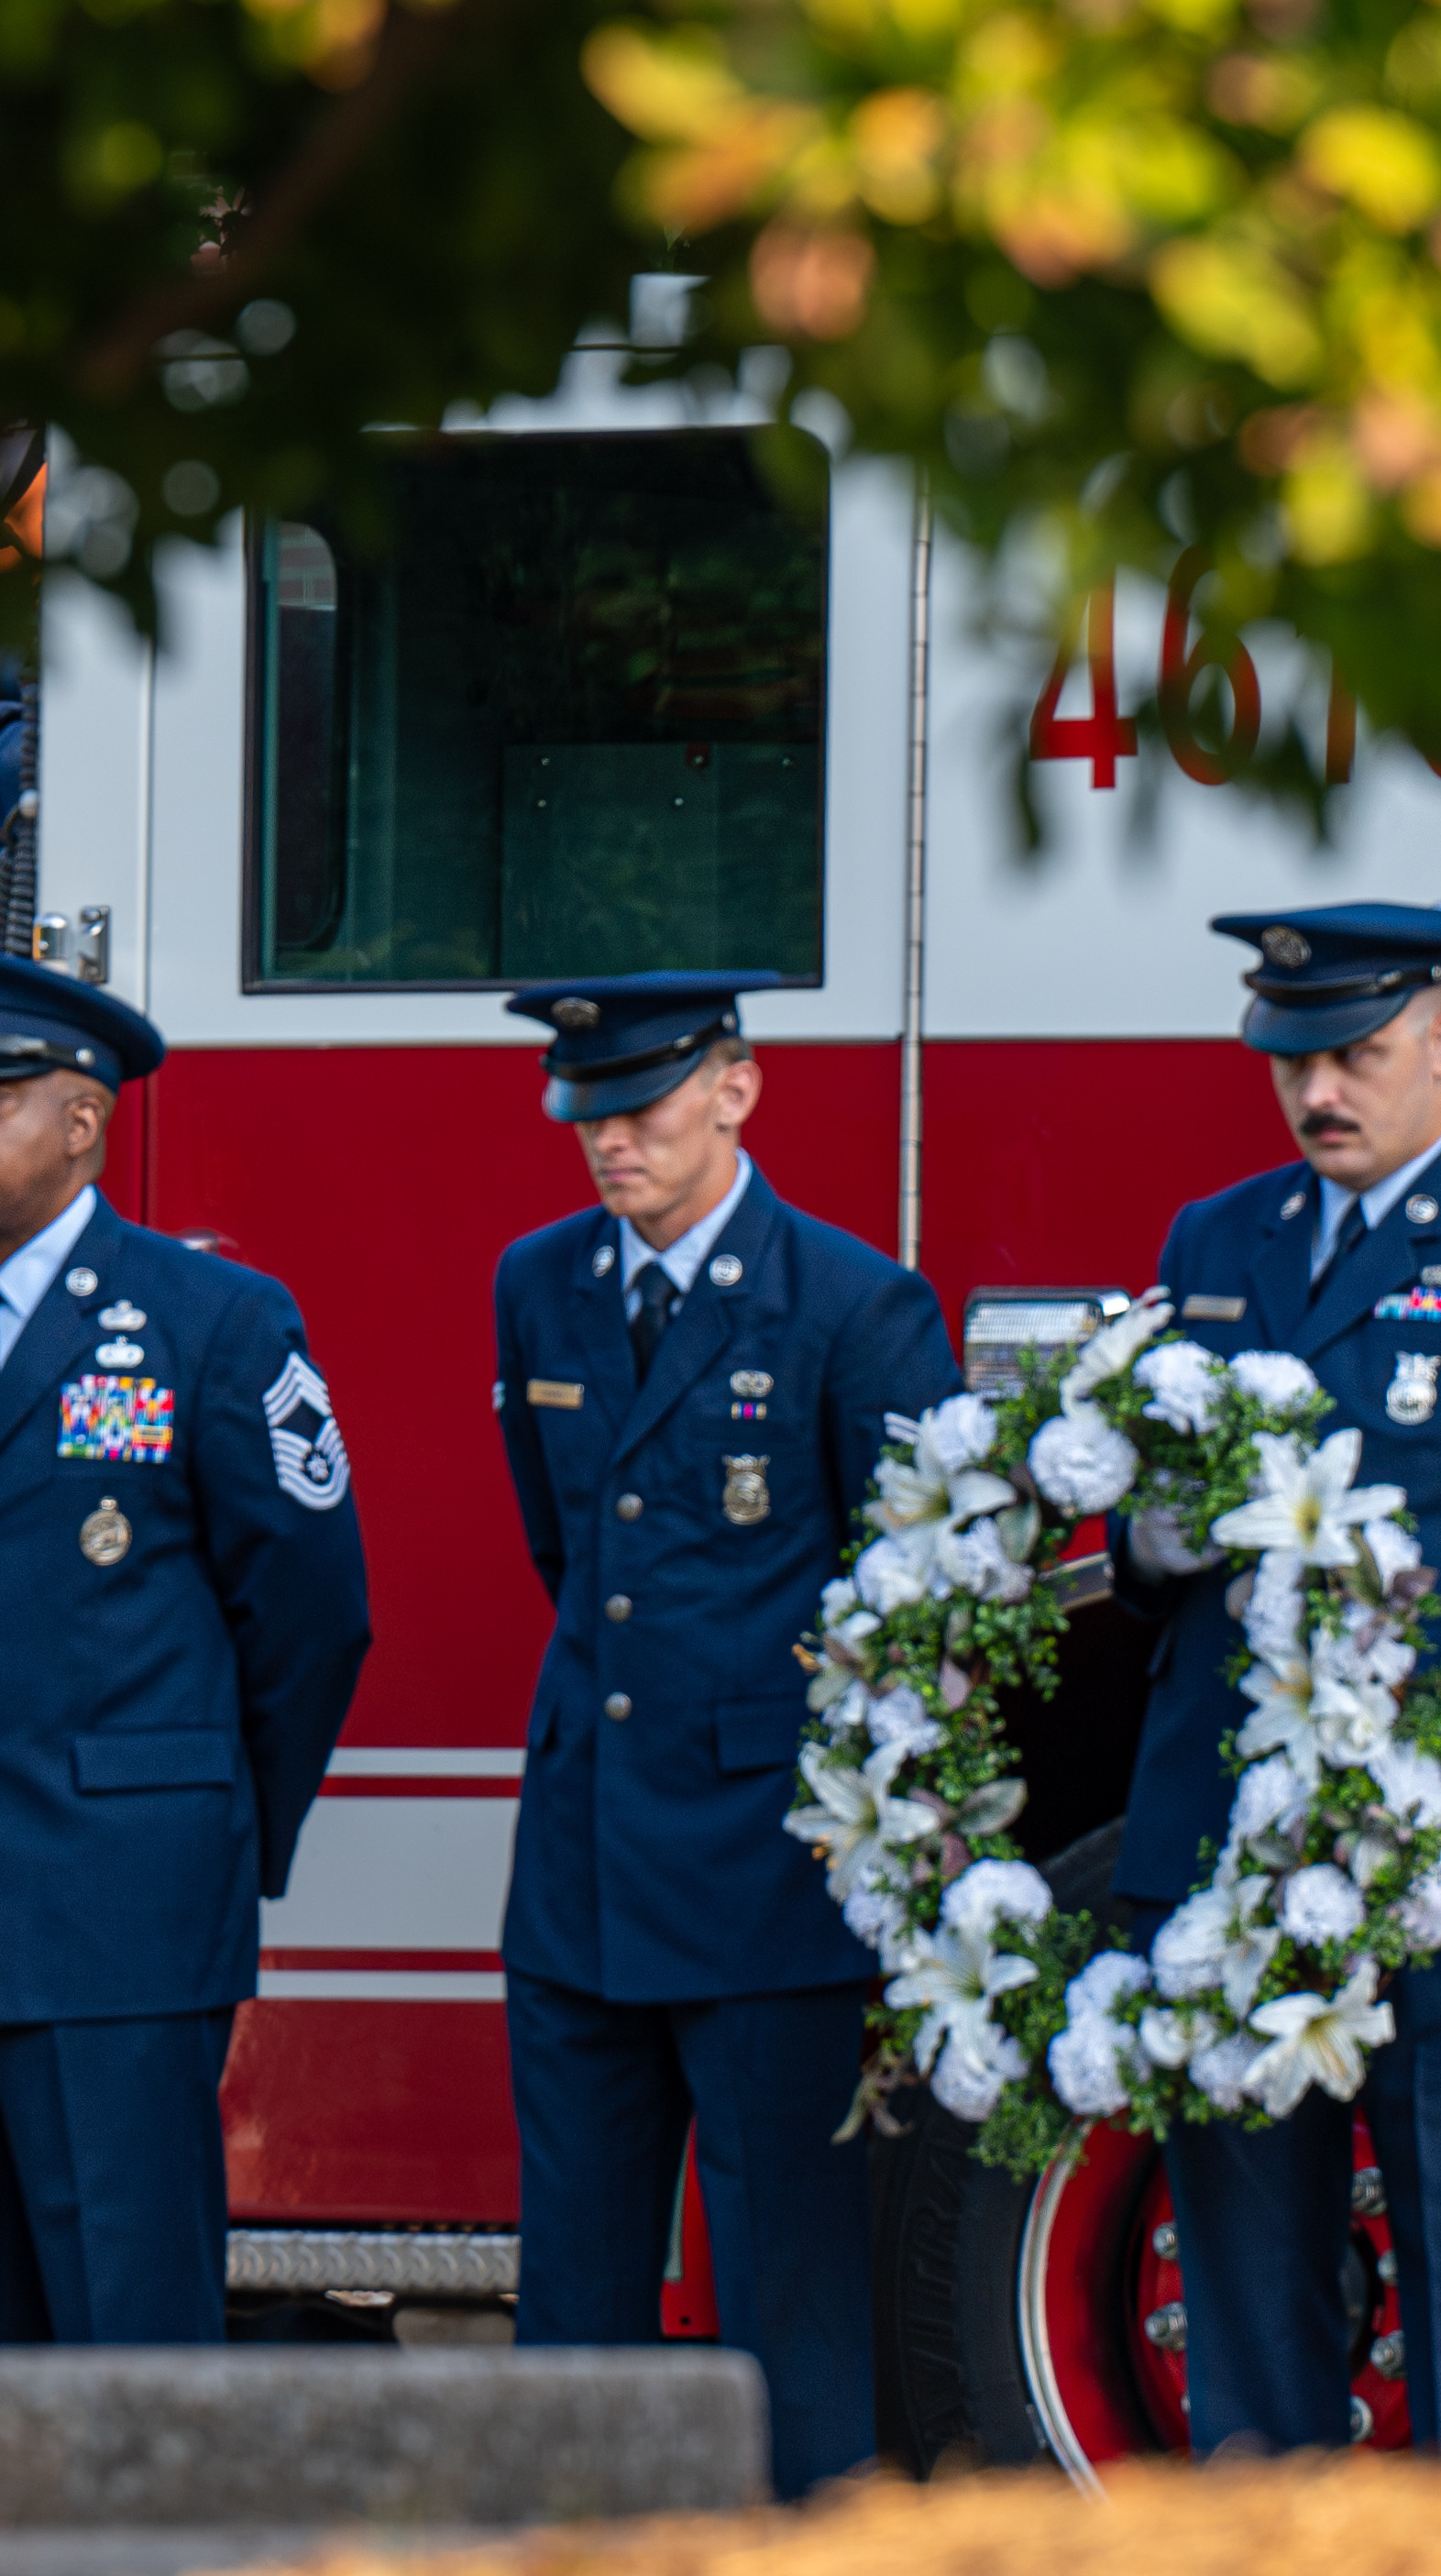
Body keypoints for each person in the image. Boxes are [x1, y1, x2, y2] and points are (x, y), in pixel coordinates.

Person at [1123, 900, 1441, 2452]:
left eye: (1354, 1052)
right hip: (1222, 1828)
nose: (1317, 1094)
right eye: (1292, 1059)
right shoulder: (1214, 1243)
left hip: (1435, 1852)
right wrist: (1146, 1537)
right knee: (1238, 2246)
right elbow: (1155, 1535)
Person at [0, 943, 373, 2346]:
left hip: (116, 1917)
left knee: (127, 2336)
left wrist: (200, 1830)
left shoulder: (209, 1325)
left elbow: (311, 1611)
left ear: (84, 1119)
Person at [487, 971, 962, 2497]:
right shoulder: (539, 1283)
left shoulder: (850, 1305)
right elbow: (572, 1555)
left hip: (766, 1876)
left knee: (787, 2308)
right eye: (584, 1112)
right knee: (571, 2300)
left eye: (638, 1104)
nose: (606, 1140)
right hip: (582, 1868)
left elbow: (916, 1600)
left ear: (736, 1090)